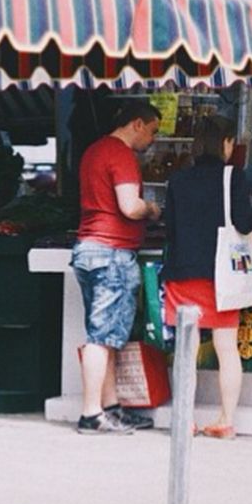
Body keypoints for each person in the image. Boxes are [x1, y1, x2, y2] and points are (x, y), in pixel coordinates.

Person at [161, 115, 252, 439]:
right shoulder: (232, 177)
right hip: (220, 275)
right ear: (224, 143)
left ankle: (185, 420)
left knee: (187, 351)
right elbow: (243, 222)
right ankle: (225, 419)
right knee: (226, 348)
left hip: (182, 274)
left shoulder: (177, 181)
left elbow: (170, 230)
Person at [72, 101, 163, 435]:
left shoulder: (93, 151)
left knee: (107, 335)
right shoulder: (121, 154)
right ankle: (91, 413)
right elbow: (130, 206)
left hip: (89, 250)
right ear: (137, 124)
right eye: (152, 131)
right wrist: (151, 209)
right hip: (111, 252)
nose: (152, 140)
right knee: (101, 336)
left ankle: (110, 408)